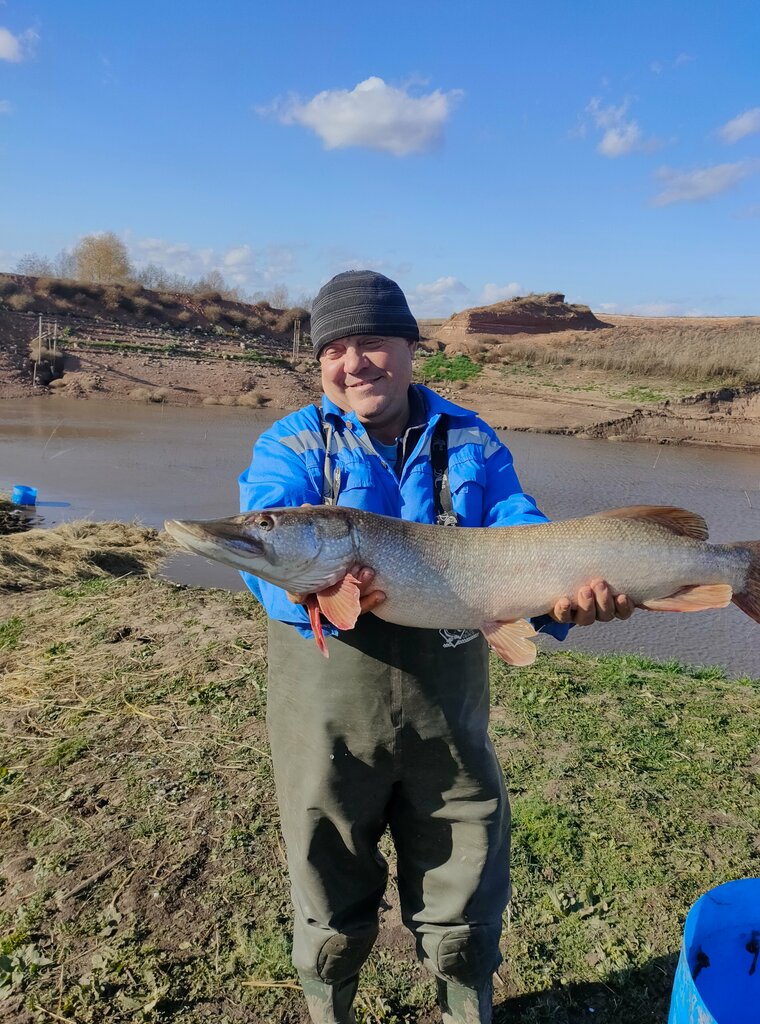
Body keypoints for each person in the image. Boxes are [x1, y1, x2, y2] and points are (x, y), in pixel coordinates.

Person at [239, 270, 633, 1024]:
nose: (354, 363)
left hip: (447, 716)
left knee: (465, 869)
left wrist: (566, 597)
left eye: (373, 343)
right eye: (335, 350)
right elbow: (269, 537)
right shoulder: (289, 443)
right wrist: (303, 591)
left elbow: (519, 528)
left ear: (410, 348)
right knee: (327, 867)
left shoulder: (471, 437)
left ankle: (464, 1006)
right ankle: (329, 1007)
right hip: (329, 718)